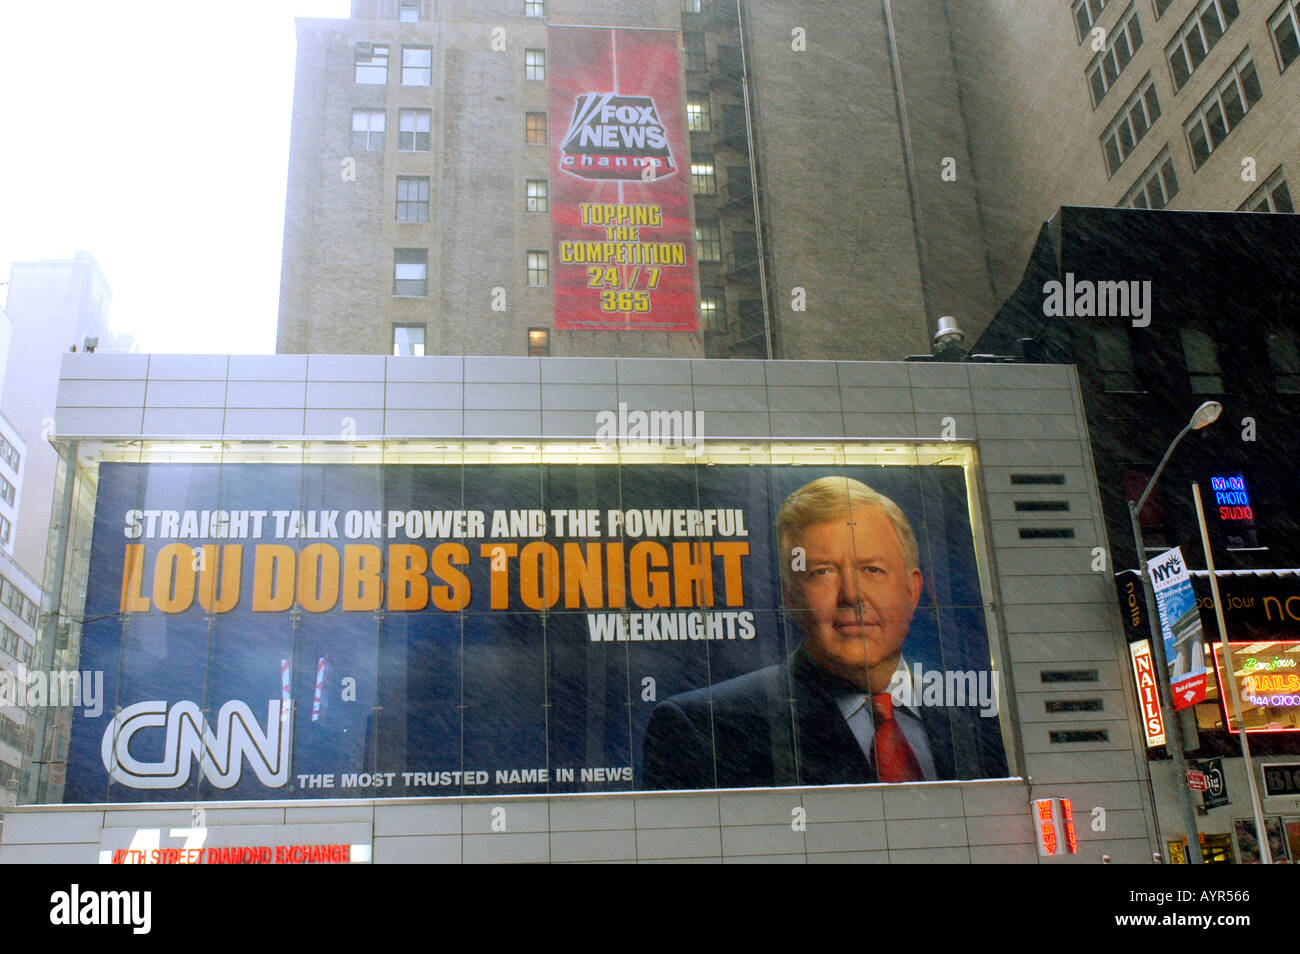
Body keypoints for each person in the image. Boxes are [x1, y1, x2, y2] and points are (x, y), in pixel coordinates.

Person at [641, 475, 999, 789]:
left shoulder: (987, 718)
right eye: (822, 572)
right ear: (789, 595)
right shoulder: (705, 729)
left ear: (912, 589)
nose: (852, 595)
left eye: (872, 569)